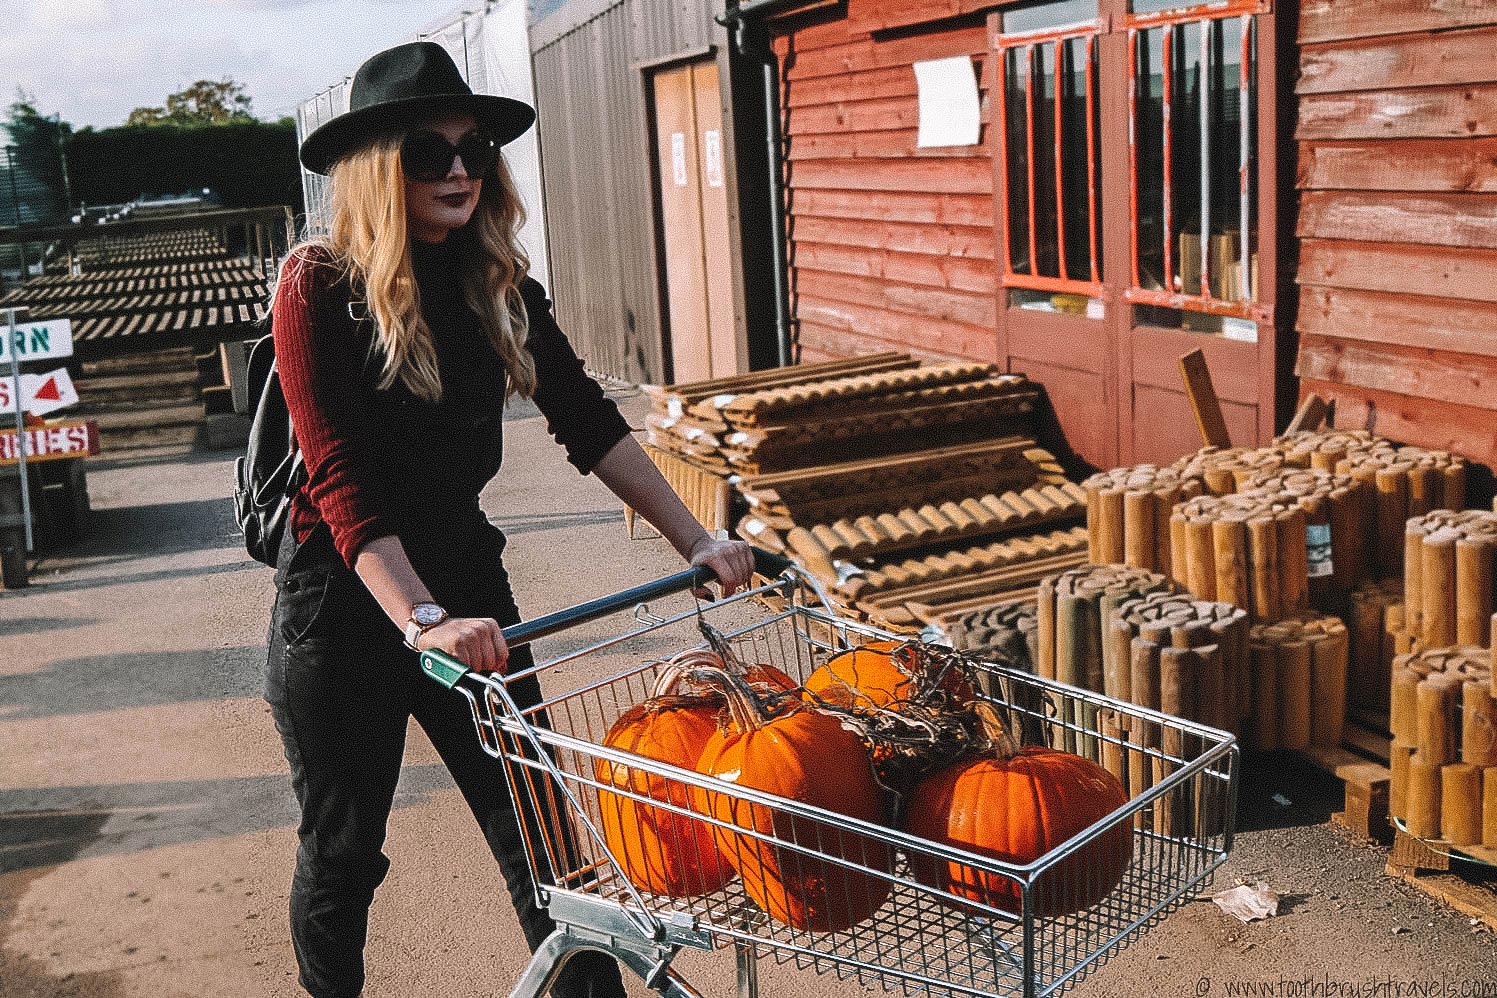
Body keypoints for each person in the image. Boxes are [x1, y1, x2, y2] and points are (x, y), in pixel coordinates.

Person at [266, 41, 754, 998]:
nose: (458, 169)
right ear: (376, 167)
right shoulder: (318, 286)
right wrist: (421, 620)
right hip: (346, 603)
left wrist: (694, 536)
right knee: (345, 852)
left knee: (543, 839)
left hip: (468, 589)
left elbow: (587, 420)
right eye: (427, 153)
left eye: (474, 148)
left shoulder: (498, 286)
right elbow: (338, 477)